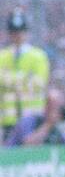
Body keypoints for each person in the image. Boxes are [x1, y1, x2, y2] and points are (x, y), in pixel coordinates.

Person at [0, 10, 50, 141]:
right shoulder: (3, 57)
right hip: (8, 120)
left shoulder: (38, 56)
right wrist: (25, 78)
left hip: (32, 118)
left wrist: (8, 78)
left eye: (21, 31)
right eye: (14, 32)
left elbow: (39, 83)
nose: (18, 36)